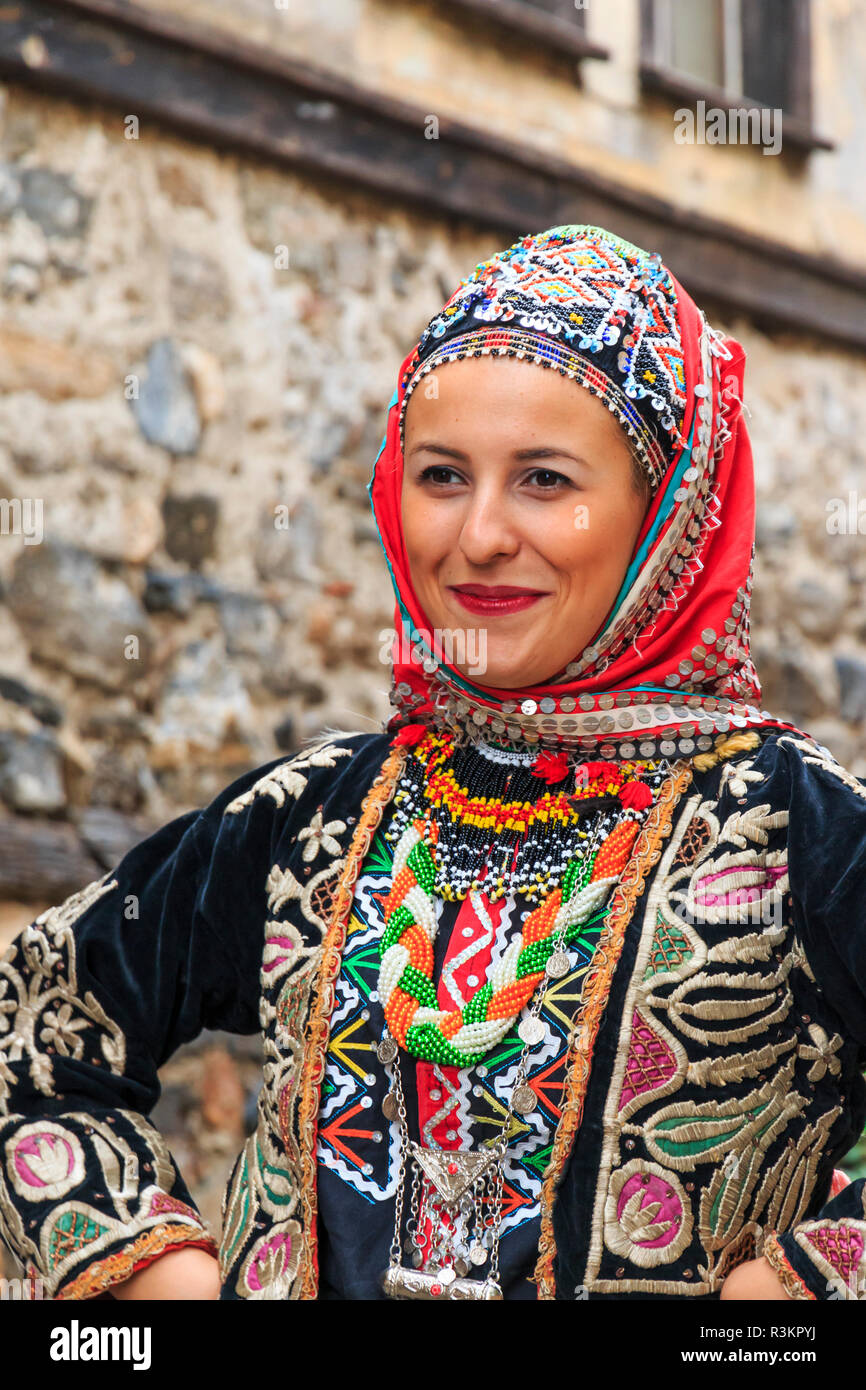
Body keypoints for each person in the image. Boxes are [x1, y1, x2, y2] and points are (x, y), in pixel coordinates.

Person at [1, 223, 865, 1302]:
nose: (480, 534)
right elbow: (32, 1036)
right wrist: (159, 1274)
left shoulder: (798, 835)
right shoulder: (312, 816)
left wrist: (792, 1290)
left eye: (544, 480)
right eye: (442, 475)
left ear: (667, 514)